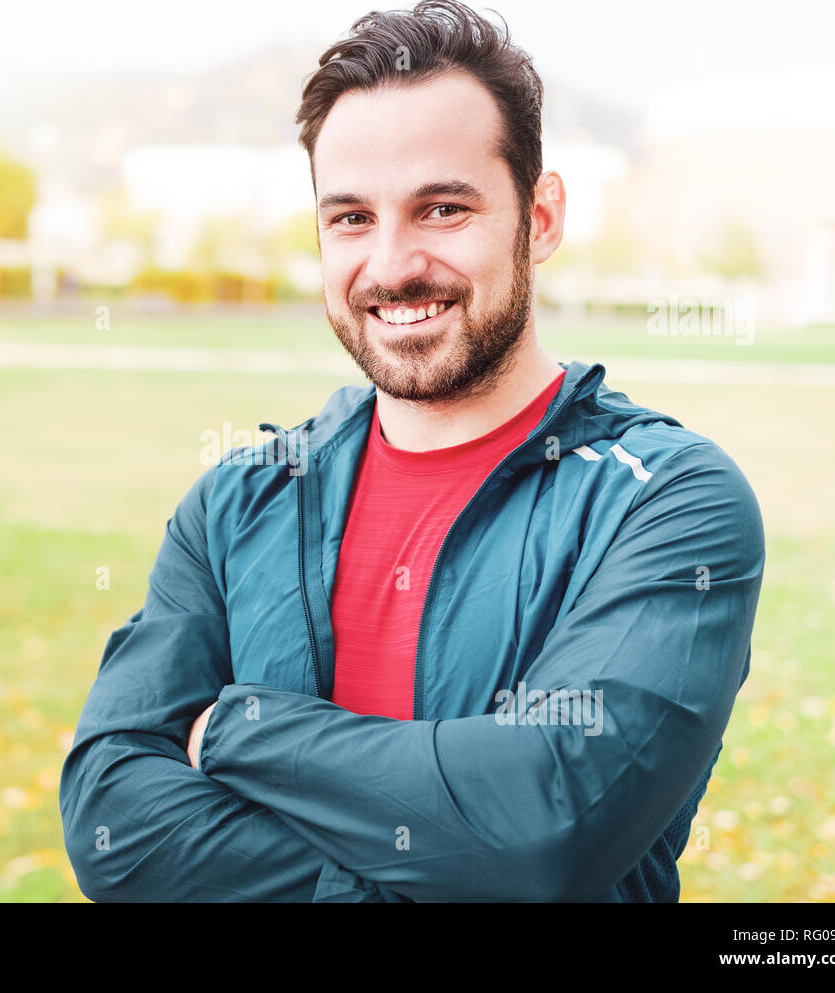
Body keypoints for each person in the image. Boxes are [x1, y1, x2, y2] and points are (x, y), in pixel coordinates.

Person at [60, 0, 765, 902]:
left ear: (540, 218)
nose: (392, 265)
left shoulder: (665, 500)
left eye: (441, 208)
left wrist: (236, 728)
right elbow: (112, 826)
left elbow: (544, 830)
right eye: (351, 218)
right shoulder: (238, 502)